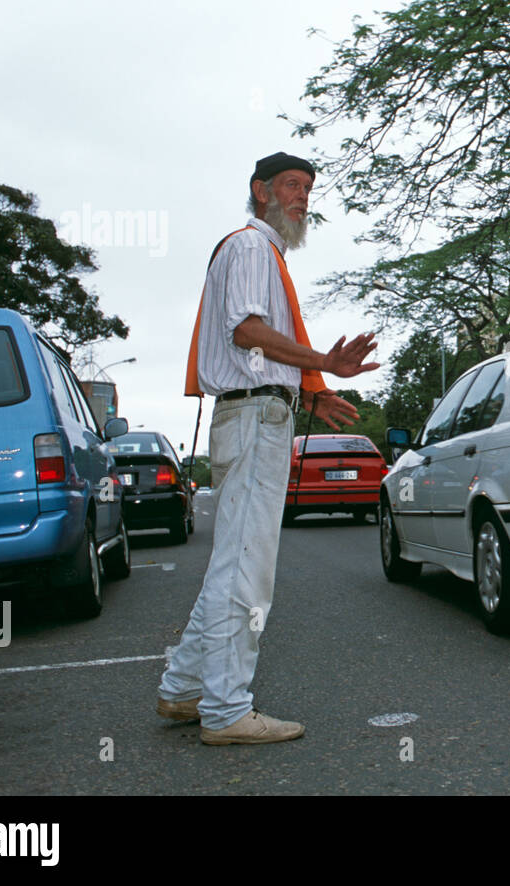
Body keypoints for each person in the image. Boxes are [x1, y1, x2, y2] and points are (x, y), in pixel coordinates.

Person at [156, 152, 379, 745]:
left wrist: (315, 388)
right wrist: (324, 363)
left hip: (254, 411)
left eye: (307, 188)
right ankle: (227, 711)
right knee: (247, 566)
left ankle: (183, 689)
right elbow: (247, 331)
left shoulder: (261, 251)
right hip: (255, 415)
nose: (301, 196)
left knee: (232, 558)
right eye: (289, 185)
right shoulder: (253, 248)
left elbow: (254, 341)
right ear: (260, 192)